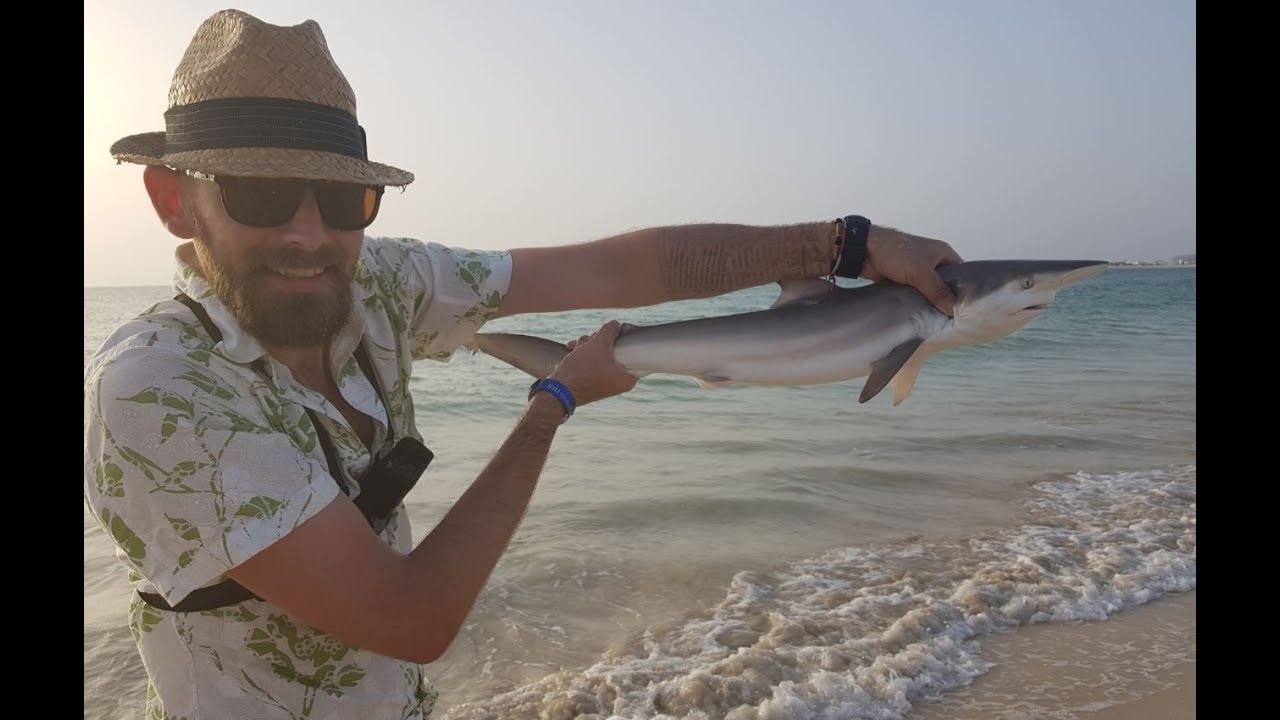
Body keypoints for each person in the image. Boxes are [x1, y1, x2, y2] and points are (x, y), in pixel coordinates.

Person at [83, 9, 962, 719]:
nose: (310, 236)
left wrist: (850, 243)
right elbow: (412, 618)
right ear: (175, 202)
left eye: (346, 199)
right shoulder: (161, 389)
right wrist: (551, 404)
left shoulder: (375, 280)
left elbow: (620, 269)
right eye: (263, 194)